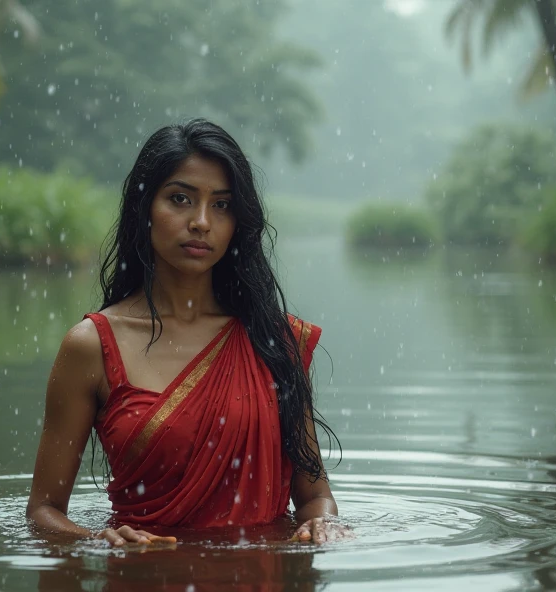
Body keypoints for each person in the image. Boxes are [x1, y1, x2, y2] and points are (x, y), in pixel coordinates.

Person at [26, 119, 343, 547]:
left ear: (237, 225)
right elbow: (43, 513)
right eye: (180, 199)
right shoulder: (92, 346)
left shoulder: (274, 342)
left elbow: (314, 496)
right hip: (143, 576)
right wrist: (96, 542)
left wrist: (323, 524)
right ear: (145, 209)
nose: (201, 222)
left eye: (222, 205)